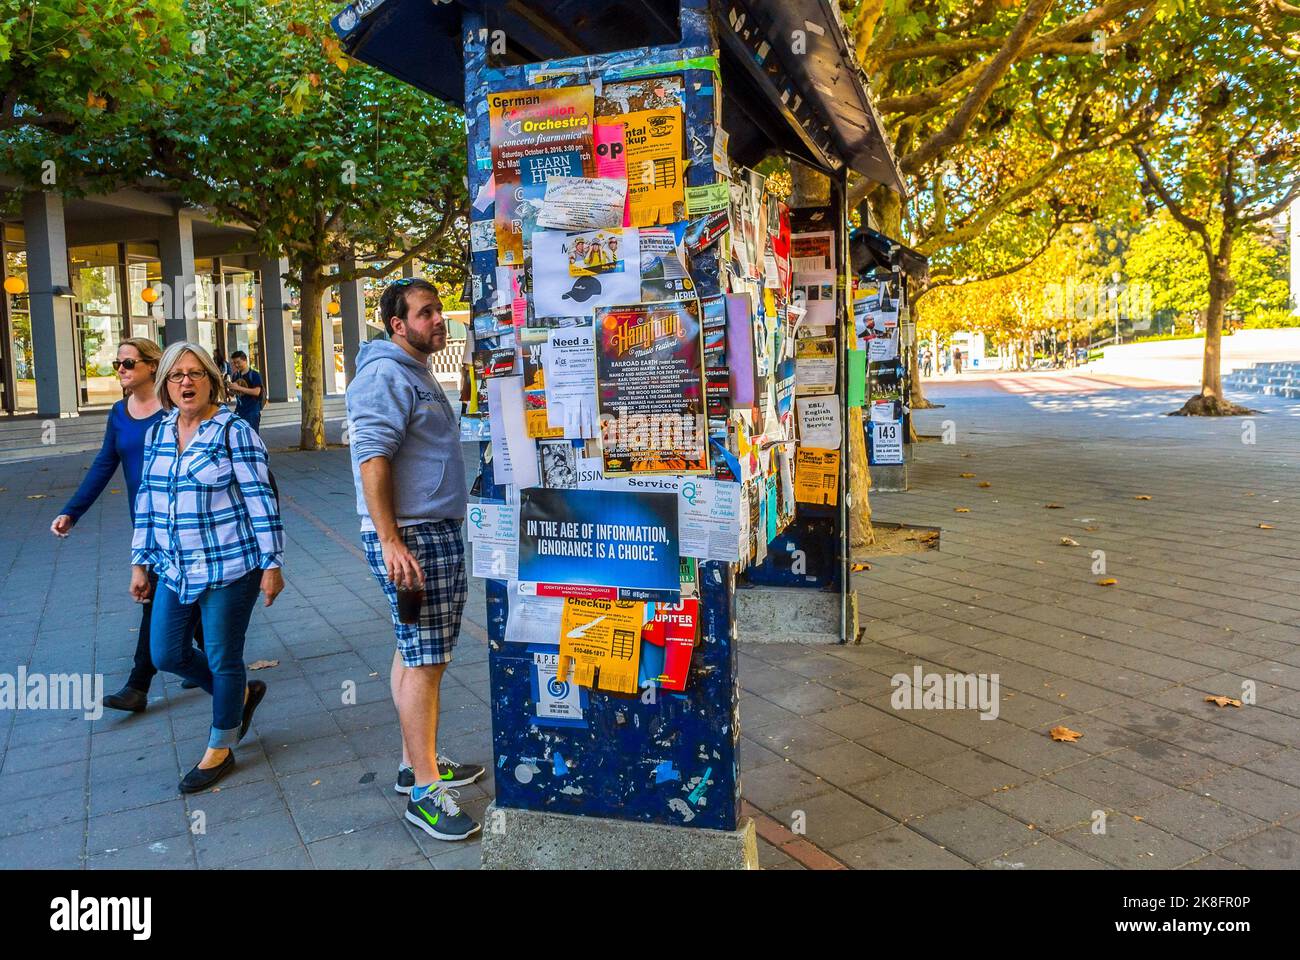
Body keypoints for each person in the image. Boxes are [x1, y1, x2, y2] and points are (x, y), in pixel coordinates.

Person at [347, 277, 483, 842]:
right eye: (425, 313)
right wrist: (391, 540)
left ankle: (413, 761)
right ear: (396, 324)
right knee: (427, 660)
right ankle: (426, 791)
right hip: (413, 537)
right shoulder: (383, 374)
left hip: (430, 531)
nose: (437, 321)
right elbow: (371, 458)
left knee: (415, 650)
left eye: (437, 311)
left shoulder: (416, 371)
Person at [131, 341, 284, 793]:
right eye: (176, 376)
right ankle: (235, 695)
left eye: (195, 373)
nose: (186, 383)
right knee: (166, 654)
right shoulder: (157, 432)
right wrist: (139, 563)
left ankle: (221, 745)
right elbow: (147, 502)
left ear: (212, 380)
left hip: (231, 566)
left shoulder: (233, 431)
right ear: (164, 385)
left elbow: (262, 501)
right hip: (174, 568)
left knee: (222, 657)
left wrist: (272, 564)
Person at [50, 338, 204, 711]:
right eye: (117, 364)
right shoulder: (120, 413)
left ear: (153, 366)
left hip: (187, 520)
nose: (120, 370)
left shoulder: (175, 410)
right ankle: (206, 659)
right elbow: (105, 463)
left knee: (157, 598)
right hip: (147, 525)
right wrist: (73, 511)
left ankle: (138, 685)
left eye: (128, 363)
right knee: (182, 595)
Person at [227, 350, 264, 434]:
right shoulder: (236, 375)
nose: (236, 365)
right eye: (234, 363)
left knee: (252, 435)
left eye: (238, 362)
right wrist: (228, 389)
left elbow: (257, 392)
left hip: (252, 411)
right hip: (239, 410)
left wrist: (239, 388)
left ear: (245, 360)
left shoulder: (254, 374)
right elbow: (234, 394)